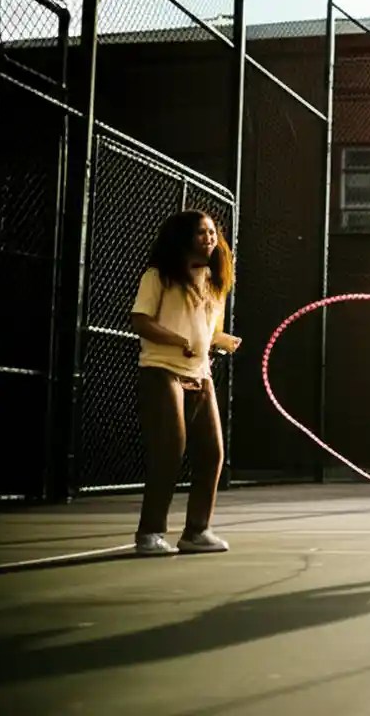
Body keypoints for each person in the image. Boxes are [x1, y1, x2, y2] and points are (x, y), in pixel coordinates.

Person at [128, 210, 241, 555]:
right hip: (161, 370)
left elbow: (207, 331)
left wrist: (223, 340)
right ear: (182, 239)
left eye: (211, 232)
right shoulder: (158, 277)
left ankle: (196, 532)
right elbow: (140, 321)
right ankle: (149, 534)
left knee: (212, 453)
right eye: (199, 233)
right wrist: (180, 342)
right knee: (169, 449)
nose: (209, 238)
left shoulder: (215, 282)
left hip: (200, 376)